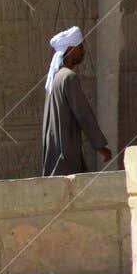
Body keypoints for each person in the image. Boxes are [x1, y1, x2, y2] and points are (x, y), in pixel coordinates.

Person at [40, 26, 111, 175]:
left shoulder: (55, 78)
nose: (83, 52)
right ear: (71, 49)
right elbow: (84, 115)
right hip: (66, 154)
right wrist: (100, 147)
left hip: (54, 152)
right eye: (80, 47)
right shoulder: (68, 77)